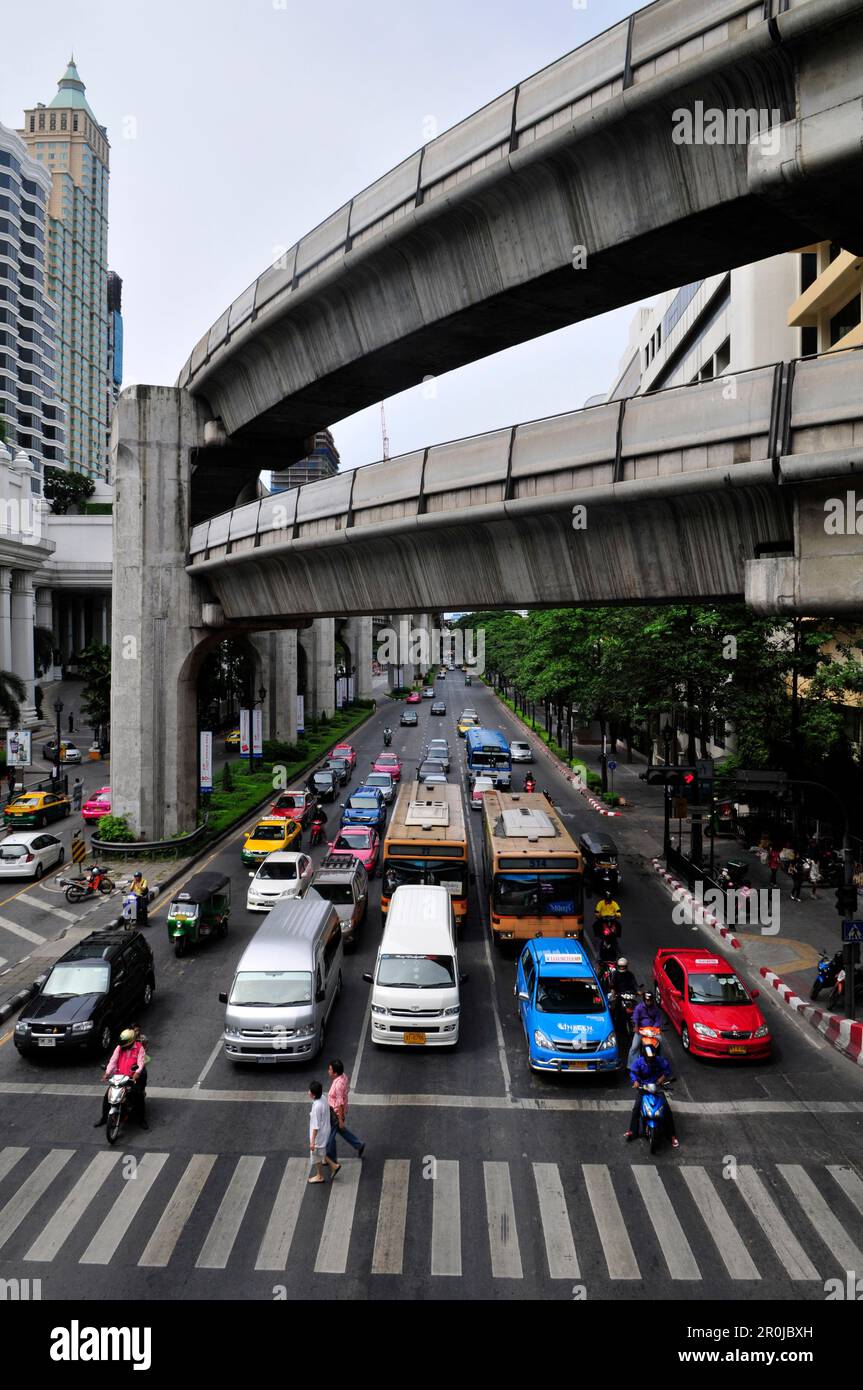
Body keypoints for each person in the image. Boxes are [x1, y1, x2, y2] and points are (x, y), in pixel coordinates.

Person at [624, 1033, 679, 1147]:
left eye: (652, 1058)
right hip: (644, 1088)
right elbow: (633, 1072)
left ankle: (672, 1135)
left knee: (667, 1111)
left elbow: (667, 1069)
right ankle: (632, 1131)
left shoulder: (658, 1060)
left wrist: (662, 1078)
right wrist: (635, 1081)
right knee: (636, 1109)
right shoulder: (639, 1062)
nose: (650, 1060)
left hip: (657, 1087)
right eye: (649, 1058)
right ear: (644, 1056)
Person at [94, 1029, 148, 1129]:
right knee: (107, 1097)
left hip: (131, 1078)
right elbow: (113, 1061)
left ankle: (141, 1120)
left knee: (138, 1096)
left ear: (131, 1041)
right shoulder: (119, 1048)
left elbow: (141, 1063)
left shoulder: (139, 1048)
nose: (122, 1046)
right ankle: (104, 1119)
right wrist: (107, 1073)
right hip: (118, 1077)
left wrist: (137, 1072)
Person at [325, 1058, 366, 1162]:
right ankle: (359, 1145)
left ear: (335, 1073)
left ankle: (332, 1161)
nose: (328, 1071)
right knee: (341, 1130)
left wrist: (340, 1119)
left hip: (335, 1113)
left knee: (329, 1138)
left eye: (330, 1069)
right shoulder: (343, 1076)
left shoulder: (338, 1085)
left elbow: (340, 1103)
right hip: (337, 1112)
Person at [308, 1080, 339, 1183]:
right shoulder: (323, 1098)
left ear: (313, 1094)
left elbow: (316, 1127)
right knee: (320, 1152)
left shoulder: (317, 1107)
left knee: (316, 1154)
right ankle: (330, 1164)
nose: (308, 1092)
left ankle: (320, 1175)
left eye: (309, 1091)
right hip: (326, 1129)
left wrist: (312, 1142)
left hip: (319, 1135)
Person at [628, 992, 663, 1066]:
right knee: (634, 1047)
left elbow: (658, 1020)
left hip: (652, 1031)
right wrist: (636, 1026)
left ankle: (660, 1060)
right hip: (641, 1030)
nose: (649, 1002)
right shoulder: (639, 1007)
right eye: (647, 1000)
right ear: (644, 1000)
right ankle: (631, 1065)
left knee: (660, 1041)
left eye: (650, 1000)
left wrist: (654, 1028)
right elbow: (635, 1018)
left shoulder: (656, 1009)